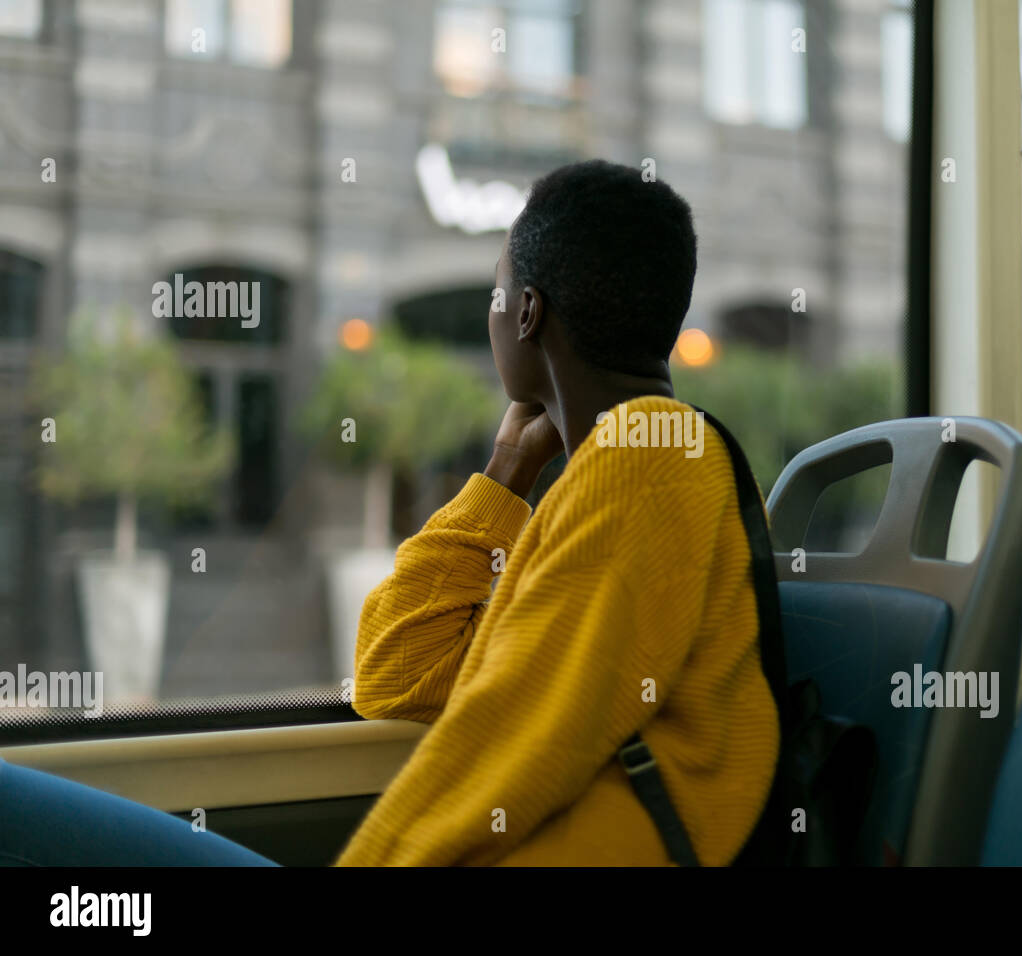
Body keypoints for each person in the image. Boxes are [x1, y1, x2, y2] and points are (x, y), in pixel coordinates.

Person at [0, 160, 778, 867]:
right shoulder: (612, 466)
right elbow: (398, 676)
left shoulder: (648, 459)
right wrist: (504, 476)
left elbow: (506, 756)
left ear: (529, 313)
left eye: (497, 292)